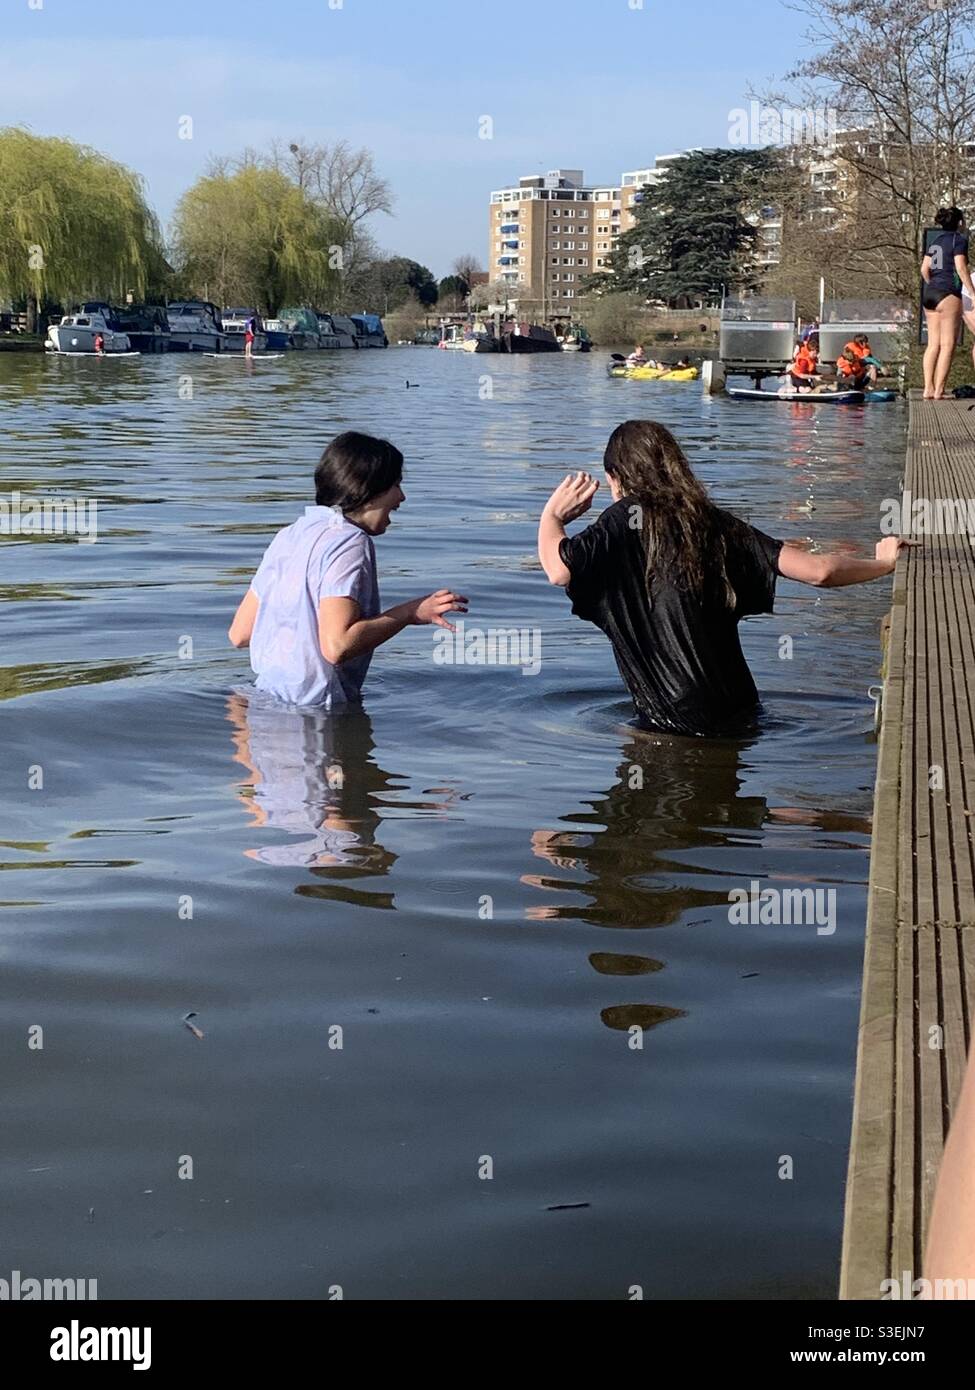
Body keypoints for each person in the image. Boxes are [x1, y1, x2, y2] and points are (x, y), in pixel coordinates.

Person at [536, 419, 914, 738]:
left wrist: (552, 518)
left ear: (614, 478)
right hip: (741, 710)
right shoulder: (714, 523)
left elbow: (558, 569)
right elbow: (820, 572)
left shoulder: (618, 523)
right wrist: (882, 563)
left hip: (673, 722)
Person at [228, 431, 468, 706]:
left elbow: (240, 634)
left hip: (264, 702)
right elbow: (337, 646)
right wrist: (411, 613)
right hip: (314, 715)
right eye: (396, 485)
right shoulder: (350, 541)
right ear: (369, 490)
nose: (402, 497)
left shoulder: (289, 535)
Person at [921, 206, 975, 399]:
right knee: (948, 344)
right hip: (948, 293)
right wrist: (972, 292)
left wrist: (932, 284)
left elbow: (924, 269)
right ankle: (939, 390)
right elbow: (961, 267)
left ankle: (927, 387)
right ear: (960, 223)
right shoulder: (958, 240)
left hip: (930, 293)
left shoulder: (935, 241)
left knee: (932, 344)